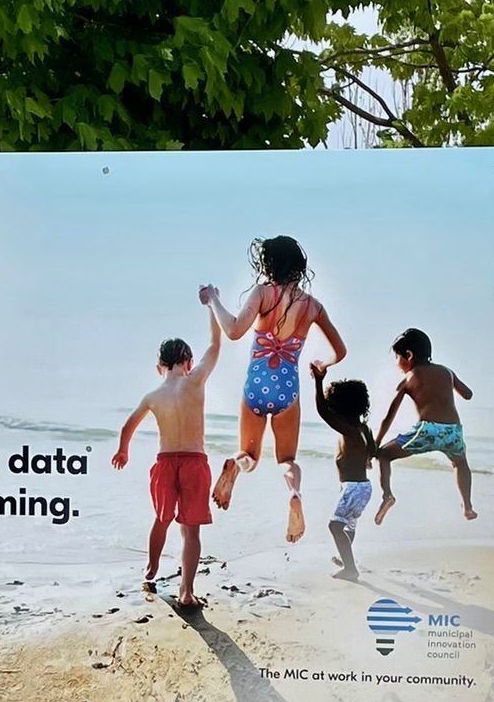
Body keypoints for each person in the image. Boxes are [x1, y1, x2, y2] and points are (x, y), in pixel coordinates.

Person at [202, 235, 347, 544]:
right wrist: (325, 364)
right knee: (286, 460)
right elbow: (341, 351)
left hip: (256, 384)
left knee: (249, 455)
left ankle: (236, 466)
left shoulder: (263, 293)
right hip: (287, 389)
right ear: (299, 266)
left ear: (268, 264)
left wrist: (214, 299)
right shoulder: (312, 306)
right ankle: (294, 492)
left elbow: (233, 330)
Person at [111, 304, 221, 609]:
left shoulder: (152, 396)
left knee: (162, 518)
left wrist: (123, 450)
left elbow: (127, 426)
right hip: (194, 462)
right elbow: (215, 344)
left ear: (160, 364)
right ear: (188, 361)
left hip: (164, 463)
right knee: (191, 529)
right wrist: (212, 304)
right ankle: (186, 592)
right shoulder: (195, 380)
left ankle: (151, 569)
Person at [372, 327, 476, 524]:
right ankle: (467, 506)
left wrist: (376, 443)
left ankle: (387, 495)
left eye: (397, 357)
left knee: (385, 455)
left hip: (428, 431)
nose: (396, 364)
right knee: (460, 463)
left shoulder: (408, 380)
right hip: (453, 432)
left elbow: (389, 417)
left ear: (408, 355)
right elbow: (468, 394)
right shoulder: (447, 372)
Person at [309, 363, 377, 581]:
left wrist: (318, 382)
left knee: (335, 525)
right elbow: (373, 451)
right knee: (348, 525)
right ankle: (344, 558)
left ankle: (350, 569)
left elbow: (322, 411)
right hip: (363, 487)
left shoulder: (348, 430)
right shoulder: (363, 429)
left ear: (341, 409)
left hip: (354, 487)